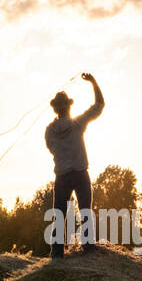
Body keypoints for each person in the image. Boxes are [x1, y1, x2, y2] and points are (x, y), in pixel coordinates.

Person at [44, 72, 104, 258]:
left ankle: (56, 253)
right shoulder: (78, 122)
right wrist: (93, 82)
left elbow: (51, 149)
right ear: (69, 106)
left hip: (61, 175)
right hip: (79, 173)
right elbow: (99, 105)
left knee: (59, 216)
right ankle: (88, 247)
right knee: (85, 211)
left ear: (55, 109)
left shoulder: (49, 131)